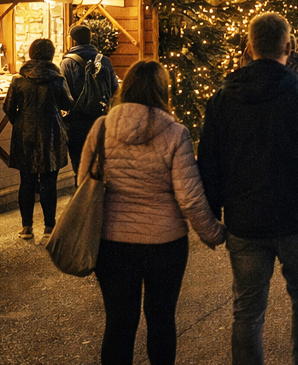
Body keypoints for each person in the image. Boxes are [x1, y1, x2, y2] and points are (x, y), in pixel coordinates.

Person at [199, 13, 298, 365]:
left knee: (247, 310)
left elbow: (210, 163)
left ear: (249, 47)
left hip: (246, 219)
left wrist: (215, 211)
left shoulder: (223, 99)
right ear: (288, 47)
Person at [80, 60, 225, 365]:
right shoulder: (175, 133)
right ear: (163, 89)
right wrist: (213, 232)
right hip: (165, 243)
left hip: (112, 242)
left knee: (118, 324)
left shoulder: (101, 127)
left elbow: (84, 184)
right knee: (161, 321)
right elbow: (189, 197)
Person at [4, 38, 73, 240]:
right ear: (51, 54)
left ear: (31, 53)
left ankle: (26, 227)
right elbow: (68, 104)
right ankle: (49, 228)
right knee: (49, 182)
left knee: (26, 181)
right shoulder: (57, 79)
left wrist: (20, 122)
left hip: (23, 133)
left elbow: (8, 107)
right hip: (51, 131)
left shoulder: (18, 79)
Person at [60, 25, 119, 182]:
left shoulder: (67, 63)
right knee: (99, 161)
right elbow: (115, 88)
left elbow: (65, 93)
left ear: (73, 40)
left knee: (79, 164)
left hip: (76, 121)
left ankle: (81, 196)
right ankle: (97, 196)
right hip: (100, 118)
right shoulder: (104, 60)